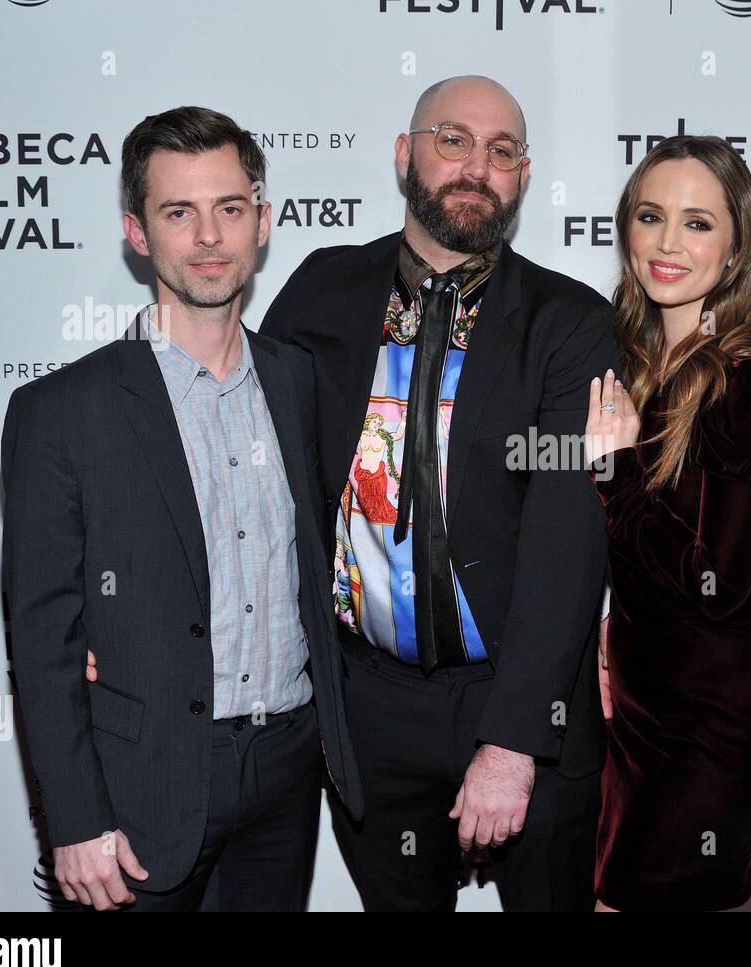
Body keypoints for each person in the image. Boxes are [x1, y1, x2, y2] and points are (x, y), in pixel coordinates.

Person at [258, 75, 620, 911]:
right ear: (404, 154)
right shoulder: (323, 290)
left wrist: (511, 742)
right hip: (367, 706)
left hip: (520, 702)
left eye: (501, 151)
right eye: (452, 140)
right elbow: (252, 480)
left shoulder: (570, 322)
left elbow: (569, 548)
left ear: (522, 176)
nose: (475, 166)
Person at [0, 106, 361, 911]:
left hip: (287, 771)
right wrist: (73, 817)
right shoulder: (62, 410)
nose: (208, 235)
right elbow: (41, 632)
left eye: (230, 209)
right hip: (139, 785)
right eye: (178, 212)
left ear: (262, 224)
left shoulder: (298, 381)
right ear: (137, 232)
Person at [584, 135, 751, 911]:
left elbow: (717, 582)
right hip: (637, 727)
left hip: (704, 744)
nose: (669, 243)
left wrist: (618, 468)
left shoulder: (743, 382)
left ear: (738, 247)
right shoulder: (644, 366)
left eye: (698, 223)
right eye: (651, 216)